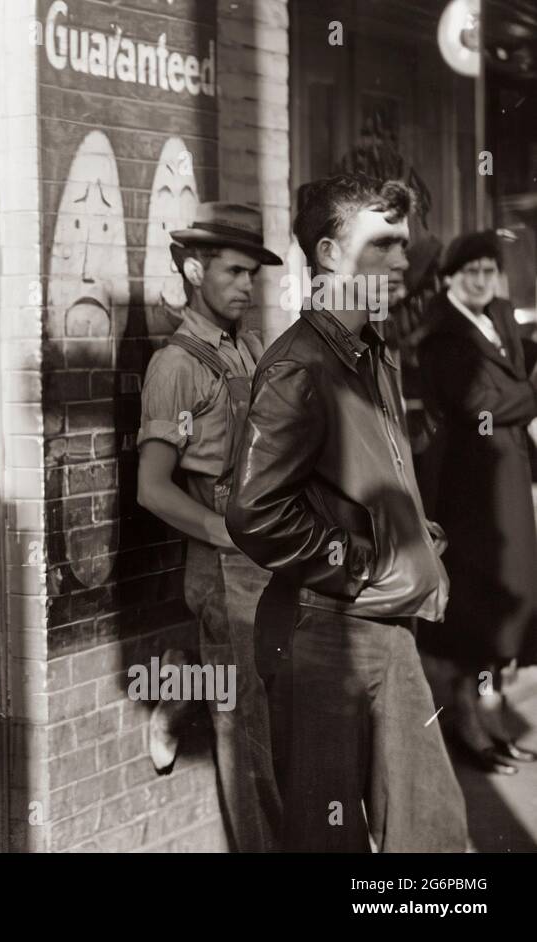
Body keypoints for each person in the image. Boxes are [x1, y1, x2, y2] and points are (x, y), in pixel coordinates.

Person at [226, 174, 467, 852]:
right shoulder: (299, 366)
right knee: (327, 841)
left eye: (404, 245)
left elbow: (357, 480)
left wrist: (411, 534)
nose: (401, 260)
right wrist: (365, 562)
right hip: (323, 634)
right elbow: (255, 512)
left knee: (430, 835)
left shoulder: (374, 354)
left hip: (383, 627)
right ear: (330, 254)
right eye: (382, 244)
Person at [136, 202, 284, 852]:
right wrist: (223, 533)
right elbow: (151, 488)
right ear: (195, 271)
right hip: (223, 565)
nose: (246, 286)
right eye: (234, 272)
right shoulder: (176, 366)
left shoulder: (249, 348)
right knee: (246, 727)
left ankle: (184, 677)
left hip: (268, 553)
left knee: (273, 710)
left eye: (253, 274)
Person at [417, 230, 537, 774]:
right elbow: (475, 404)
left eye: (490, 270)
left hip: (506, 476)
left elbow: (498, 396)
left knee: (504, 597)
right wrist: (530, 395)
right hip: (470, 486)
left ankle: (490, 715)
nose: (483, 280)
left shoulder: (498, 320)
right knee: (473, 602)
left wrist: (515, 397)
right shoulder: (443, 334)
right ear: (449, 278)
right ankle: (465, 717)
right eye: (472, 272)